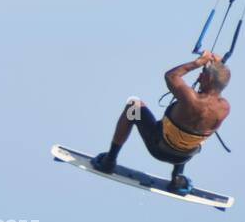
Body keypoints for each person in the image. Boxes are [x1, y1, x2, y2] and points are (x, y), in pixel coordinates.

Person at [91, 51, 231, 192]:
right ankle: (177, 177)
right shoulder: (224, 108)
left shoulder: (191, 99)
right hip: (183, 158)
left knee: (133, 105)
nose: (199, 76)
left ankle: (109, 161)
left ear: (208, 79)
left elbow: (171, 76)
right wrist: (219, 66)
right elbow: (217, 85)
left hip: (158, 148)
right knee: (194, 134)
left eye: (203, 75)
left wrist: (197, 63)